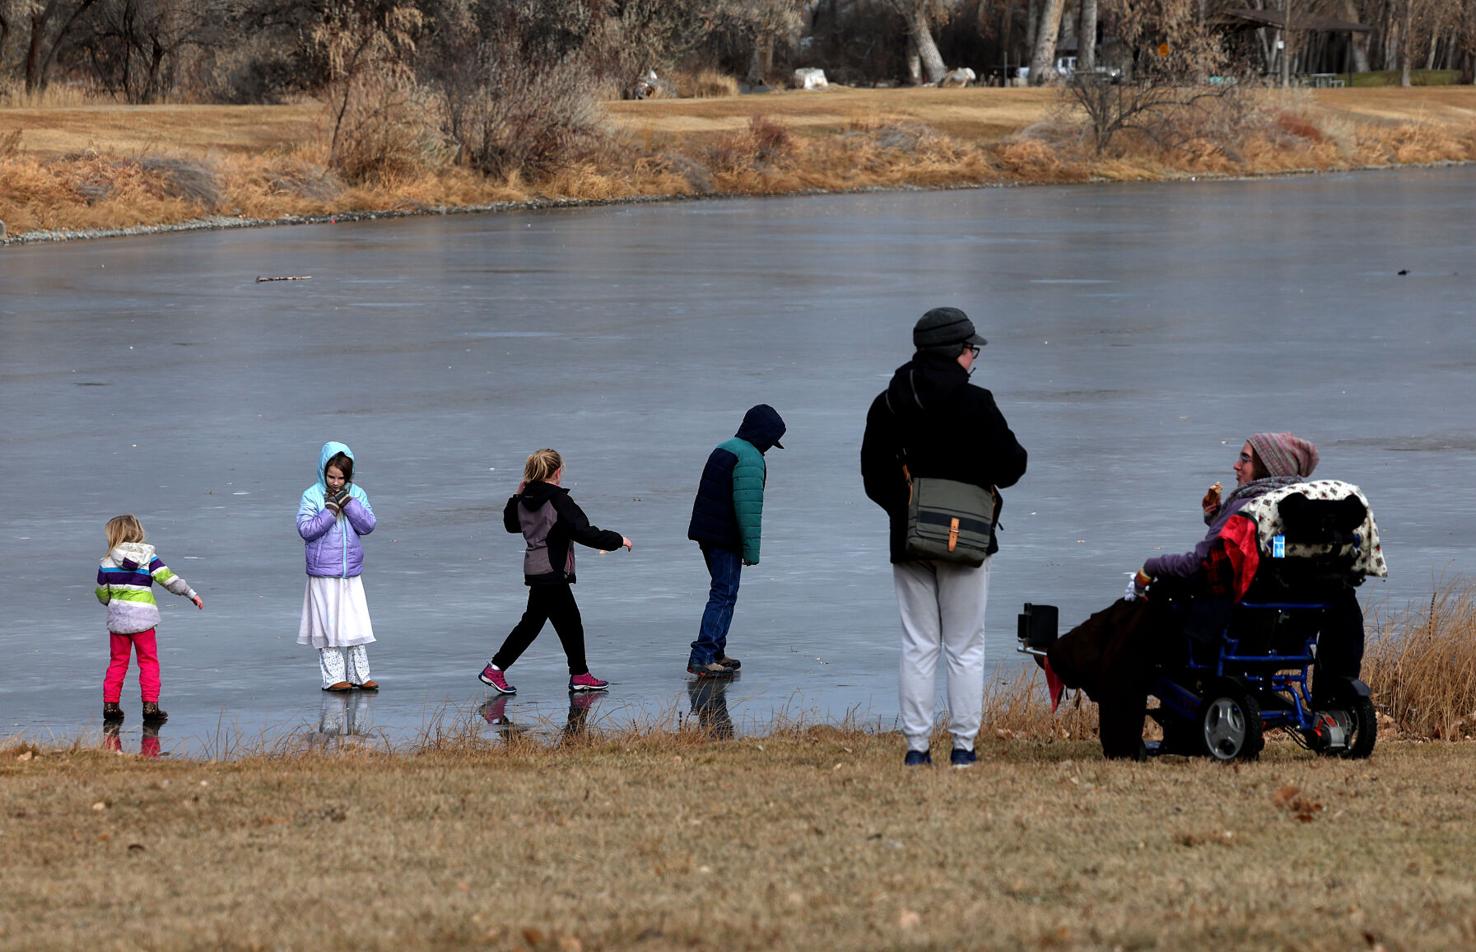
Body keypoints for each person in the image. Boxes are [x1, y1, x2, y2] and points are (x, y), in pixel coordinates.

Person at [861, 307, 1028, 767]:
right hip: (970, 542)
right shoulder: (977, 403)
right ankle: (963, 749)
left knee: (918, 644)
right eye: (973, 350)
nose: (974, 358)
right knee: (965, 646)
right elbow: (1013, 466)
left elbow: (873, 477)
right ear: (957, 352)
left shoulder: (889, 401)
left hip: (909, 541)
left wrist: (908, 512)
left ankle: (916, 750)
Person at [479, 449, 632, 695]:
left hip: (536, 569)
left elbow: (510, 525)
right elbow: (583, 532)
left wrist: (517, 494)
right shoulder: (559, 500)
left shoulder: (523, 499)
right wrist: (618, 540)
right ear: (558, 471)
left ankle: (579, 674)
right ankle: (496, 668)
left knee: (555, 622)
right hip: (552, 571)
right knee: (550, 624)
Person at [685, 404, 787, 679]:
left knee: (721, 591)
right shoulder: (751, 458)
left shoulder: (725, 447)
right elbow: (748, 508)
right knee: (724, 594)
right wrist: (751, 550)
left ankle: (716, 651)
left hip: (706, 531)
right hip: (725, 537)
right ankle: (703, 655)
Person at [95, 513, 204, 725]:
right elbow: (170, 580)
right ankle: (150, 707)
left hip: (119, 622)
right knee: (148, 662)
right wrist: (191, 594)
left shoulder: (106, 562)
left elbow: (102, 592)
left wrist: (111, 602)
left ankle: (110, 706)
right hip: (144, 621)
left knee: (118, 663)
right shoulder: (149, 558)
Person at [297, 441, 379, 692]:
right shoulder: (311, 495)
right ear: (323, 471)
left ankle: (360, 674)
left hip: (350, 571)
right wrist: (329, 511)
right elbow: (305, 530)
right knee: (328, 624)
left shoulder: (358, 494)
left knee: (357, 623)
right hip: (323, 572)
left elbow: (368, 525)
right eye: (331, 476)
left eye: (341, 478)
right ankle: (333, 678)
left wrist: (349, 503)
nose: (335, 482)